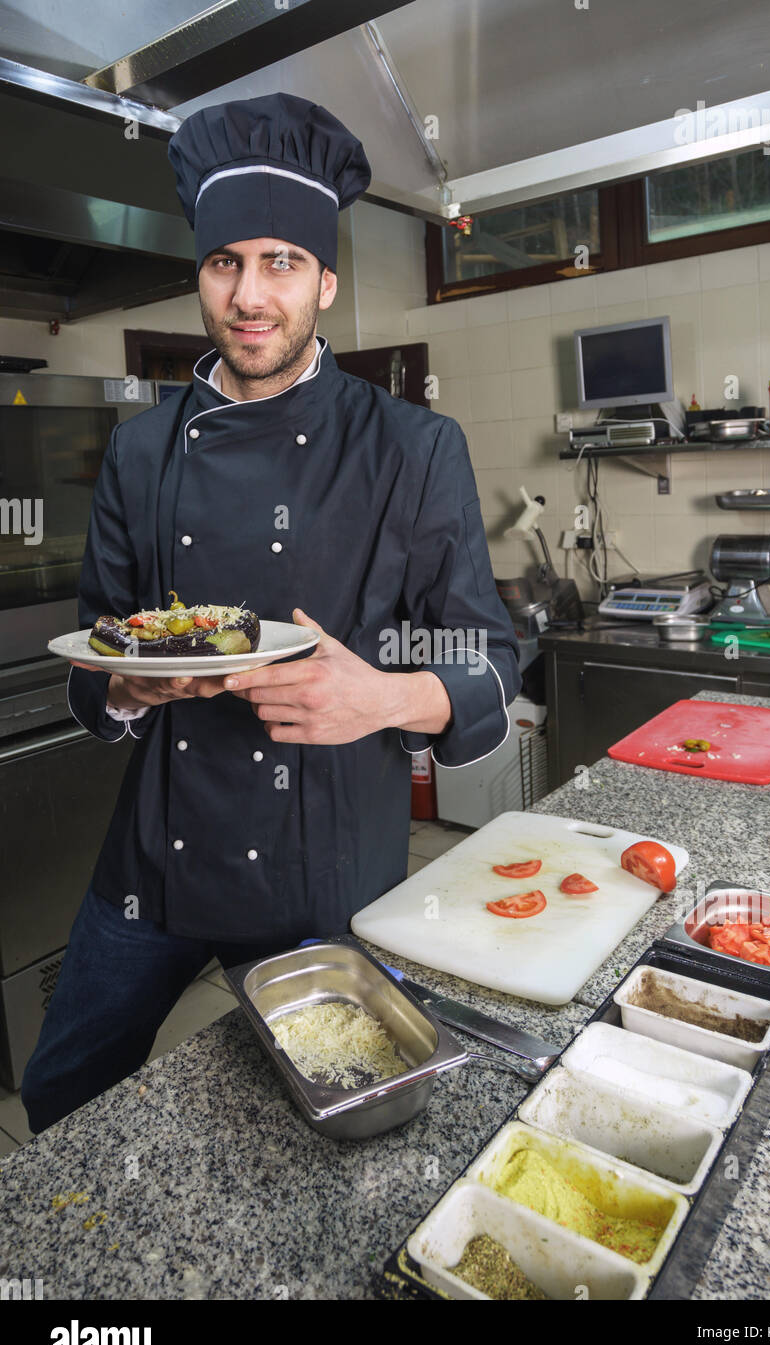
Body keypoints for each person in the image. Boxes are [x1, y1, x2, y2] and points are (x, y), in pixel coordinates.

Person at [22, 93, 521, 1135]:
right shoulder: (139, 451)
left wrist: (381, 695)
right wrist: (121, 682)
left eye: (282, 262)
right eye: (225, 263)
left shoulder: (412, 448)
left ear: (326, 283)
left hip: (324, 870)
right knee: (62, 1092)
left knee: (333, 1114)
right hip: (151, 867)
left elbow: (489, 659)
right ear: (199, 276)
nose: (251, 296)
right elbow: (93, 657)